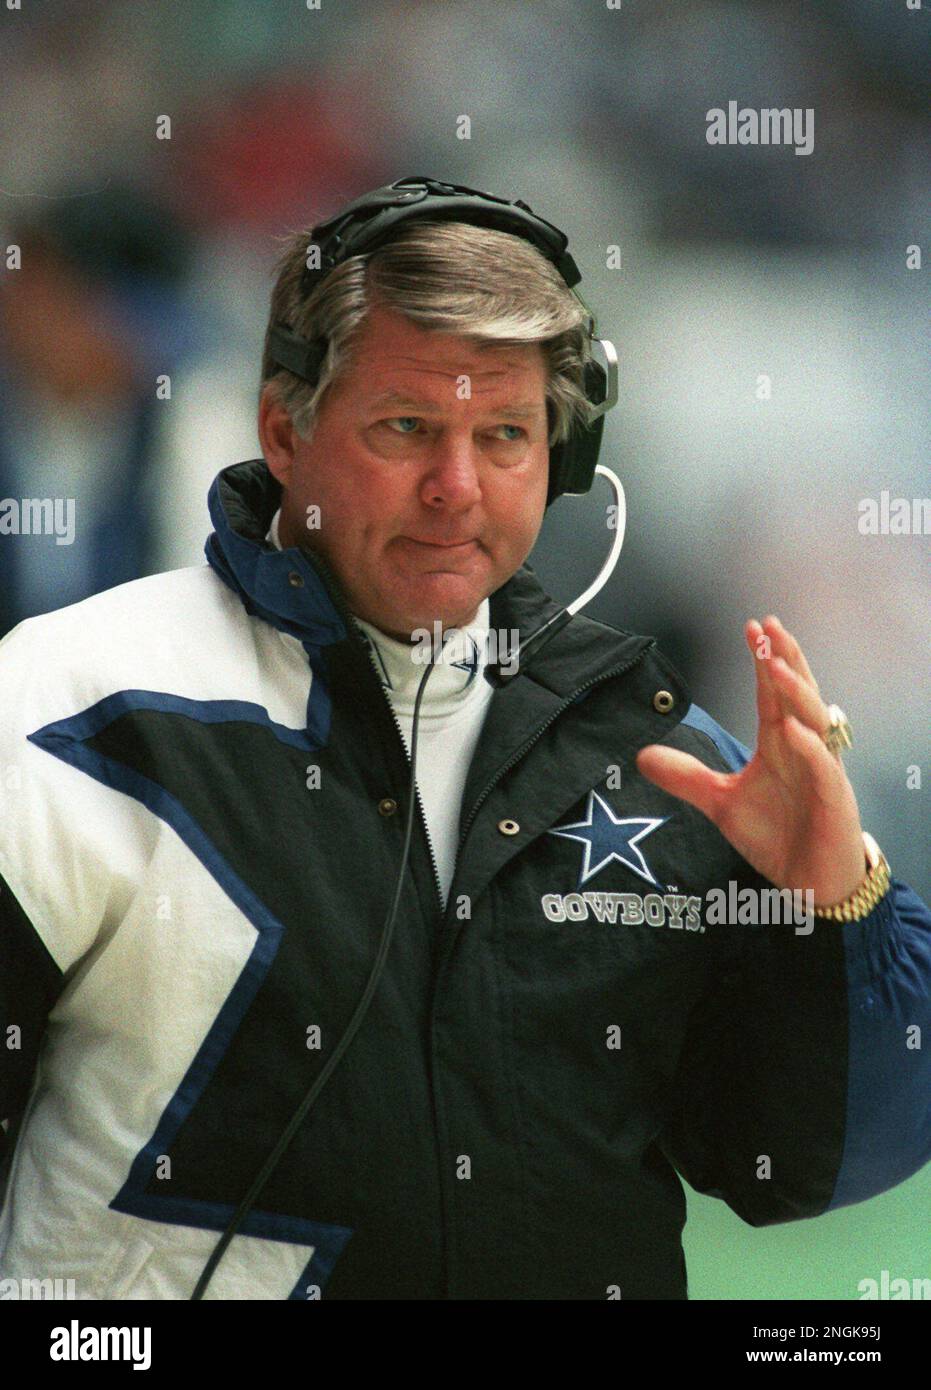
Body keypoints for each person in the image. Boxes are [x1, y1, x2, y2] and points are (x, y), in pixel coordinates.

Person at [0, 178, 928, 1301]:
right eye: (406, 428)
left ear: (564, 456)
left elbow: (811, 1165)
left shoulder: (651, 749)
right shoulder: (61, 708)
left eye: (504, 434)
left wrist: (837, 908)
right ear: (284, 430)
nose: (455, 488)